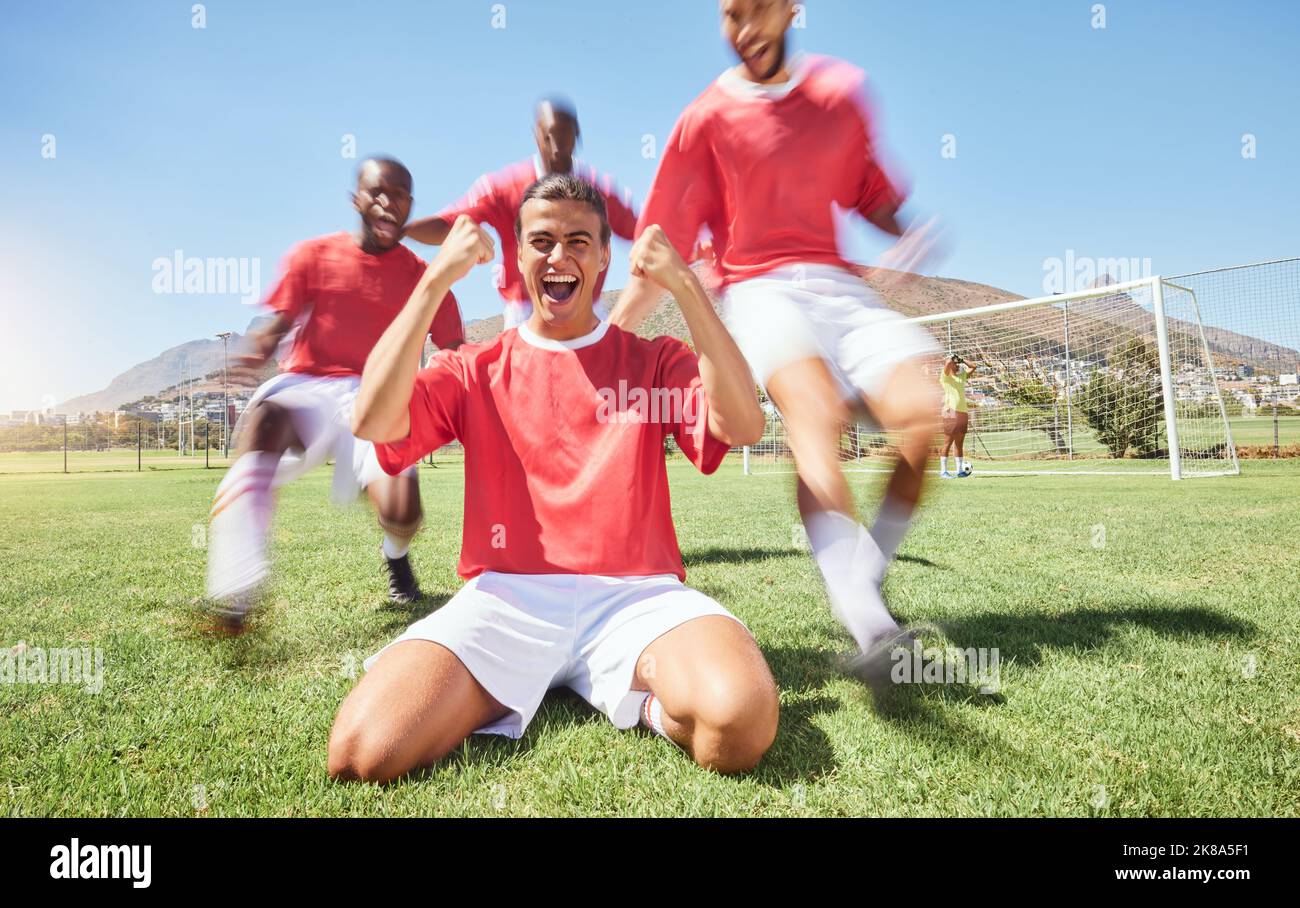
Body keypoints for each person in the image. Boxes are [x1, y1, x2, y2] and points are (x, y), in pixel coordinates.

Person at [328, 175, 777, 783]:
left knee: (739, 724)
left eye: (578, 241)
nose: (559, 256)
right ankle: (509, 679)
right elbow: (374, 419)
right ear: (519, 255)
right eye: (541, 241)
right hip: (508, 597)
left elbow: (745, 424)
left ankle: (640, 703)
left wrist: (686, 285)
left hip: (635, 597)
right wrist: (434, 280)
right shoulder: (474, 367)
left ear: (602, 258)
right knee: (363, 753)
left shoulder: (651, 360)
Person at [610, 0, 945, 689]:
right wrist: (607, 341)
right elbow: (657, 247)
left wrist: (908, 228)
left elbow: (869, 194)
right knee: (815, 419)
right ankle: (870, 624)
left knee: (928, 418)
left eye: (758, 10)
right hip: (759, 290)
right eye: (730, 15)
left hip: (839, 289)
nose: (744, 31)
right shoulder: (704, 119)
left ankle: (865, 574)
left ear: (794, 8)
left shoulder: (841, 95)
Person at [204, 157, 464, 630]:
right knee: (266, 420)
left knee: (402, 512)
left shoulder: (426, 279)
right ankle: (235, 591)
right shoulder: (313, 255)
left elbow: (455, 350)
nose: (389, 202)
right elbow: (280, 322)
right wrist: (255, 349)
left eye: (401, 194)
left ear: (410, 206)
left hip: (378, 393)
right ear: (357, 200)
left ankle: (397, 560)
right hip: (310, 384)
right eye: (378, 191)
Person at [404, 97, 639, 329]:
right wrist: (400, 230)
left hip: (587, 308)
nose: (556, 147)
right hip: (525, 314)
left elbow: (641, 232)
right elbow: (448, 225)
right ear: (536, 135)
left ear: (577, 133)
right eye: (548, 137)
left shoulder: (600, 191)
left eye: (563, 135)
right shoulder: (505, 187)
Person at [939, 354, 979, 478]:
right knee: (948, 442)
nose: (957, 365)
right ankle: (943, 471)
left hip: (962, 413)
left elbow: (973, 366)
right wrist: (951, 358)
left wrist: (961, 359)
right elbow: (947, 365)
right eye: (955, 364)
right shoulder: (945, 377)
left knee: (959, 444)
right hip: (950, 412)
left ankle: (959, 471)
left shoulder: (962, 376)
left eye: (958, 363)